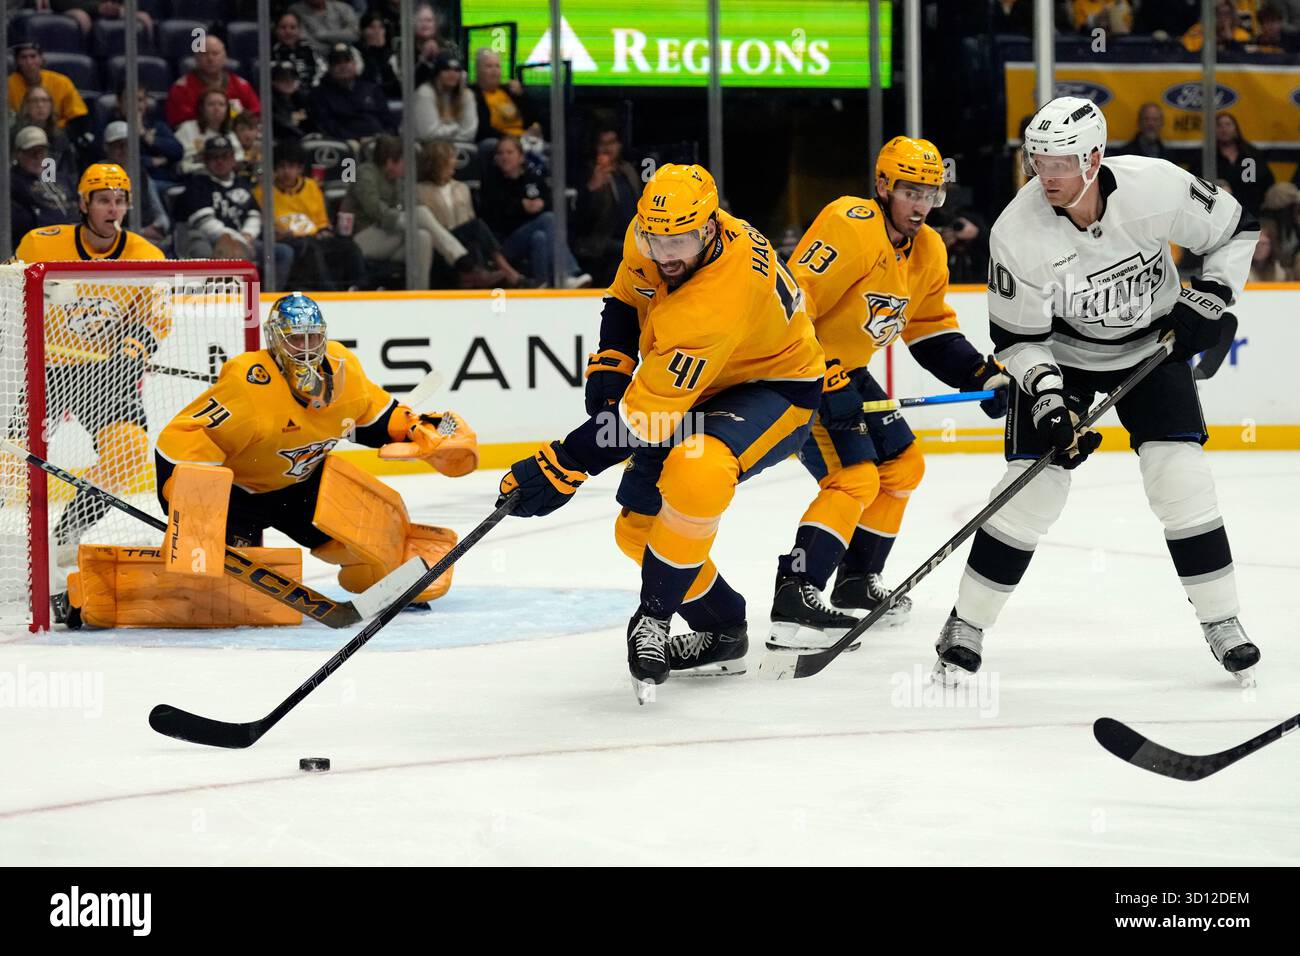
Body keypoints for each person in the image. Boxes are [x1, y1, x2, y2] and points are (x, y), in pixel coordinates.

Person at [934, 96, 1261, 687]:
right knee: (1030, 489)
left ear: (1094, 156)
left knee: (1180, 476)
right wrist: (1051, 402)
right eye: (1038, 160)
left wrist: (1211, 293)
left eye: (1061, 161)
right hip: (1064, 357)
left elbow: (1237, 226)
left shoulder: (1155, 186)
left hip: (1153, 345)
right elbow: (1016, 338)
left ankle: (1224, 622)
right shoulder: (1017, 230)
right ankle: (967, 625)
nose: (1047, 175)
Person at [498, 164, 826, 695]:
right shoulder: (652, 234)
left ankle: (653, 619)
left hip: (776, 386)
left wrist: (563, 463)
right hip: (707, 379)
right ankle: (723, 629)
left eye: (682, 240)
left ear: (712, 228)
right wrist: (609, 373)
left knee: (697, 470)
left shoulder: (718, 297)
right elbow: (627, 299)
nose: (666, 252)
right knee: (638, 531)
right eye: (656, 238)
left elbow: (643, 419)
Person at [768, 137, 1008, 651]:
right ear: (883, 186)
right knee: (854, 479)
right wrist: (822, 376)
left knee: (903, 467)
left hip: (846, 370)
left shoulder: (927, 250)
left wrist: (979, 375)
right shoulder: (851, 224)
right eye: (911, 191)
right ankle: (795, 593)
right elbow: (793, 303)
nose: (921, 204)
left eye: (932, 193)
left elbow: (928, 329)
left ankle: (856, 580)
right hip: (798, 368)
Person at [147, 294, 479, 623]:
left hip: (302, 488)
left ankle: (390, 586)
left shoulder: (343, 367)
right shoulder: (247, 384)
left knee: (375, 557)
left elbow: (374, 418)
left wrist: (416, 431)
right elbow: (181, 438)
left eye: (313, 337)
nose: (306, 348)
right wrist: (191, 501)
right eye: (295, 340)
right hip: (239, 497)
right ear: (275, 341)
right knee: (222, 594)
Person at [14, 164, 166, 567]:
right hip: (39, 367)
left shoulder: (146, 257)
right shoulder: (39, 245)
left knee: (129, 449)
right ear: (83, 204)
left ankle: (69, 532)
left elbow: (155, 318)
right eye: (103, 200)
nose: (112, 209)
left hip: (102, 374)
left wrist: (129, 356)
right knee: (11, 459)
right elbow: (10, 297)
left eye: (119, 201)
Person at [347, 134, 488, 288]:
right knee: (419, 214)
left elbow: (404, 206)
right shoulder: (365, 173)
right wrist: (402, 218)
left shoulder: (400, 181)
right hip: (362, 240)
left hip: (392, 236)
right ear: (391, 161)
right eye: (405, 162)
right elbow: (374, 209)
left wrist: (402, 217)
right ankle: (462, 260)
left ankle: (419, 295)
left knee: (423, 237)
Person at [174, 136, 293, 285]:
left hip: (245, 239)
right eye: (214, 157)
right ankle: (212, 299)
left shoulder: (241, 183)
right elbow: (205, 223)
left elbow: (254, 214)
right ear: (205, 160)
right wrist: (240, 240)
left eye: (225, 156)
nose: (220, 161)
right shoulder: (197, 184)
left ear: (233, 159)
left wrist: (248, 235)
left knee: (283, 253)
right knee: (207, 254)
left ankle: (266, 297)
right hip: (210, 241)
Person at [256, 141, 367, 291]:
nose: (286, 171)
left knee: (348, 246)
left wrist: (325, 230)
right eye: (281, 167)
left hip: (314, 236)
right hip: (288, 239)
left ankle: (360, 288)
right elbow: (263, 226)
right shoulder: (262, 192)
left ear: (300, 168)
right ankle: (330, 294)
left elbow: (321, 221)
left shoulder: (311, 186)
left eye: (291, 166)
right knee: (312, 250)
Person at [480, 136, 590, 287]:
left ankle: (541, 285)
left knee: (540, 237)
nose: (504, 157)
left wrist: (541, 205)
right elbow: (491, 215)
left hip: (533, 235)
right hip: (505, 244)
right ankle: (568, 273)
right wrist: (521, 206)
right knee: (548, 219)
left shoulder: (534, 178)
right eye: (500, 153)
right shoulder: (491, 182)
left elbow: (551, 204)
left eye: (509, 152)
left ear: (521, 157)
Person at [418, 140, 520, 286]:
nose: (454, 162)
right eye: (449, 159)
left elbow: (469, 218)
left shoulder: (461, 188)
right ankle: (507, 272)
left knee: (474, 230)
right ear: (437, 164)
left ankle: (477, 274)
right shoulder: (419, 191)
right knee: (475, 227)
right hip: (439, 247)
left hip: (465, 247)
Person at [573, 127, 642, 286]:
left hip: (632, 236)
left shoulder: (628, 170)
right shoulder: (588, 172)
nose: (607, 148)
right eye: (602, 143)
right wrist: (592, 189)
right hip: (599, 240)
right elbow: (580, 219)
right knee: (624, 250)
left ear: (619, 146)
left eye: (611, 143)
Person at [165, 34, 261, 128]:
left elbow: (256, 115)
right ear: (196, 58)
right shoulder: (181, 89)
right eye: (204, 54)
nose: (210, 58)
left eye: (215, 53)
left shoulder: (241, 85)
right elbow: (179, 123)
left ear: (224, 58)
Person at [308, 43, 395, 146]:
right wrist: (356, 140)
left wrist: (384, 137)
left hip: (379, 144)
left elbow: (388, 121)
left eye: (347, 60)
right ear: (329, 68)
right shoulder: (319, 94)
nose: (343, 65)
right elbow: (326, 126)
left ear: (355, 64)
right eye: (337, 62)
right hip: (346, 145)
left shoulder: (372, 89)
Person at [101, 122, 170, 245]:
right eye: (118, 145)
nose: (123, 150)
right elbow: (99, 225)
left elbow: (159, 211)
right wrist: (141, 232)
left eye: (127, 145)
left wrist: (159, 226)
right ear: (107, 147)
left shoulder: (139, 172)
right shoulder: (97, 175)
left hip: (148, 236)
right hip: (116, 240)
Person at [9, 127, 79, 240]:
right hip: (44, 239)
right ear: (18, 154)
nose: (37, 157)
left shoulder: (61, 178)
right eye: (32, 152)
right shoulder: (13, 183)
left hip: (76, 235)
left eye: (41, 151)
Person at [6, 42, 90, 134]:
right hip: (20, 135)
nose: (29, 62)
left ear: (41, 59)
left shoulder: (62, 82)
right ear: (17, 61)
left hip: (57, 135)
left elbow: (78, 116)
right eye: (23, 58)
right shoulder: (6, 85)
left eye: (33, 56)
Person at [108, 85, 183, 185]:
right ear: (119, 102)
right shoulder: (110, 127)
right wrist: (151, 161)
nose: (135, 105)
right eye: (129, 100)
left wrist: (147, 137)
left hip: (162, 182)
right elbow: (109, 156)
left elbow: (178, 151)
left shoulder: (157, 125)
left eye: (140, 100)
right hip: (124, 182)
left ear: (146, 103)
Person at [12, 86, 79, 186]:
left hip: (55, 188)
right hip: (21, 187)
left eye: (44, 100)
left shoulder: (59, 137)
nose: (40, 105)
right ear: (26, 105)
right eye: (34, 101)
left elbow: (69, 173)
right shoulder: (15, 134)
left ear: (51, 105)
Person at [470, 47, 540, 143]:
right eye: (489, 66)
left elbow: (533, 117)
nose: (494, 71)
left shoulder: (509, 91)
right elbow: (483, 130)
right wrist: (514, 139)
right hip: (500, 142)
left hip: (525, 138)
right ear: (478, 70)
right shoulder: (472, 95)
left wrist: (521, 96)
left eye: (497, 66)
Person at [1212, 113, 1274, 220]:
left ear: (1236, 129)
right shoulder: (1207, 156)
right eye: (1219, 125)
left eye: (1228, 125)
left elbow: (1267, 181)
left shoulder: (1251, 153)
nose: (1223, 129)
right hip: (1217, 211)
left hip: (1250, 209)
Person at [175, 88, 245, 176]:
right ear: (202, 108)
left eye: (221, 104)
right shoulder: (187, 128)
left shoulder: (229, 134)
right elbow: (182, 163)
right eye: (211, 104)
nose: (216, 108)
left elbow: (239, 158)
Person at [413, 52, 477, 143]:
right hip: (423, 148)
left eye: (456, 70)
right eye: (446, 69)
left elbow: (469, 134)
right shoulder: (425, 93)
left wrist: (444, 130)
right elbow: (428, 134)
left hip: (459, 146)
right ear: (437, 74)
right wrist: (456, 127)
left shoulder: (466, 95)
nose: (452, 74)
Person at [289, 0, 362, 56]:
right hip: (314, 56)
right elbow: (304, 39)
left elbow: (354, 33)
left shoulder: (344, 8)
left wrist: (321, 35)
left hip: (346, 53)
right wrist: (333, 48)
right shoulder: (295, 11)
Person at [272, 10, 325, 87]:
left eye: (293, 27)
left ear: (299, 30)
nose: (288, 32)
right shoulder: (271, 52)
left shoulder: (309, 48)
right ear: (276, 30)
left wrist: (315, 84)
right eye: (283, 27)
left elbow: (322, 68)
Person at [270, 61, 315, 142]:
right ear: (273, 81)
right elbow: (281, 126)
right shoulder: (270, 103)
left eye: (292, 77)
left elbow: (313, 122)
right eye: (283, 78)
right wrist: (303, 137)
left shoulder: (302, 99)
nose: (289, 81)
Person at [358, 12, 400, 98]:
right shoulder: (356, 53)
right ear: (362, 31)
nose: (377, 31)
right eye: (372, 27)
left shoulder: (392, 55)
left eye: (381, 27)